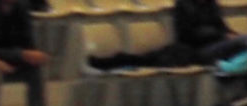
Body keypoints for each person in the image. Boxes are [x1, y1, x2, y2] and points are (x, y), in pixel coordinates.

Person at [89, 0, 233, 69]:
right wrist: (221, 36)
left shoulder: (211, 5)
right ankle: (115, 61)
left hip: (199, 50)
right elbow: (187, 34)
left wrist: (229, 35)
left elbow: (222, 27)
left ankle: (116, 60)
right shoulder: (184, 4)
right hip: (192, 49)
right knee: (149, 59)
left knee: (149, 59)